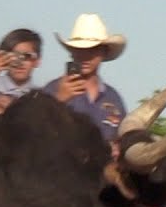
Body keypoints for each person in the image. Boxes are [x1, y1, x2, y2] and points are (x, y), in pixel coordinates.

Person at [40, 13, 127, 143]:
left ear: (104, 52)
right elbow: (35, 133)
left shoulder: (113, 98)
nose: (86, 55)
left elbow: (122, 140)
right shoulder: (52, 90)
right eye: (79, 49)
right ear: (71, 52)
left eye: (93, 49)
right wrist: (58, 101)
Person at [0, 29, 43, 114]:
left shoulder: (40, 96)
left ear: (37, 61)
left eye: (27, 56)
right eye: (14, 56)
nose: (20, 63)